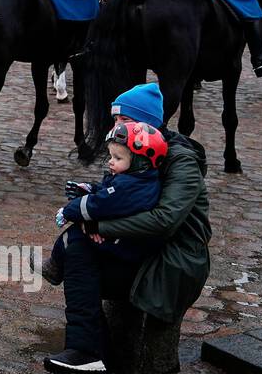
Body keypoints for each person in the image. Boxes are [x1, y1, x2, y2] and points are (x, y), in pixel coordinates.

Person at [44, 82, 211, 374]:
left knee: (81, 249)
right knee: (79, 247)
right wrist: (91, 197)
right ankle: (91, 357)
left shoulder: (180, 160)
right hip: (142, 248)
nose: (116, 127)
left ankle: (93, 356)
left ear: (146, 122)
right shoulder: (135, 149)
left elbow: (164, 221)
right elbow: (119, 198)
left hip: (172, 262)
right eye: (115, 120)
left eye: (123, 120)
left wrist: (99, 227)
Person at [42, 121, 168, 287]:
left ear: (139, 161)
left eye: (117, 158)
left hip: (124, 243)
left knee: (72, 236)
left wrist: (68, 211)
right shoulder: (141, 180)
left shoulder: (127, 186)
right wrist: (90, 189)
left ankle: (54, 267)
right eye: (110, 156)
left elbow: (100, 204)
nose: (110, 161)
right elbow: (109, 193)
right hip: (125, 235)